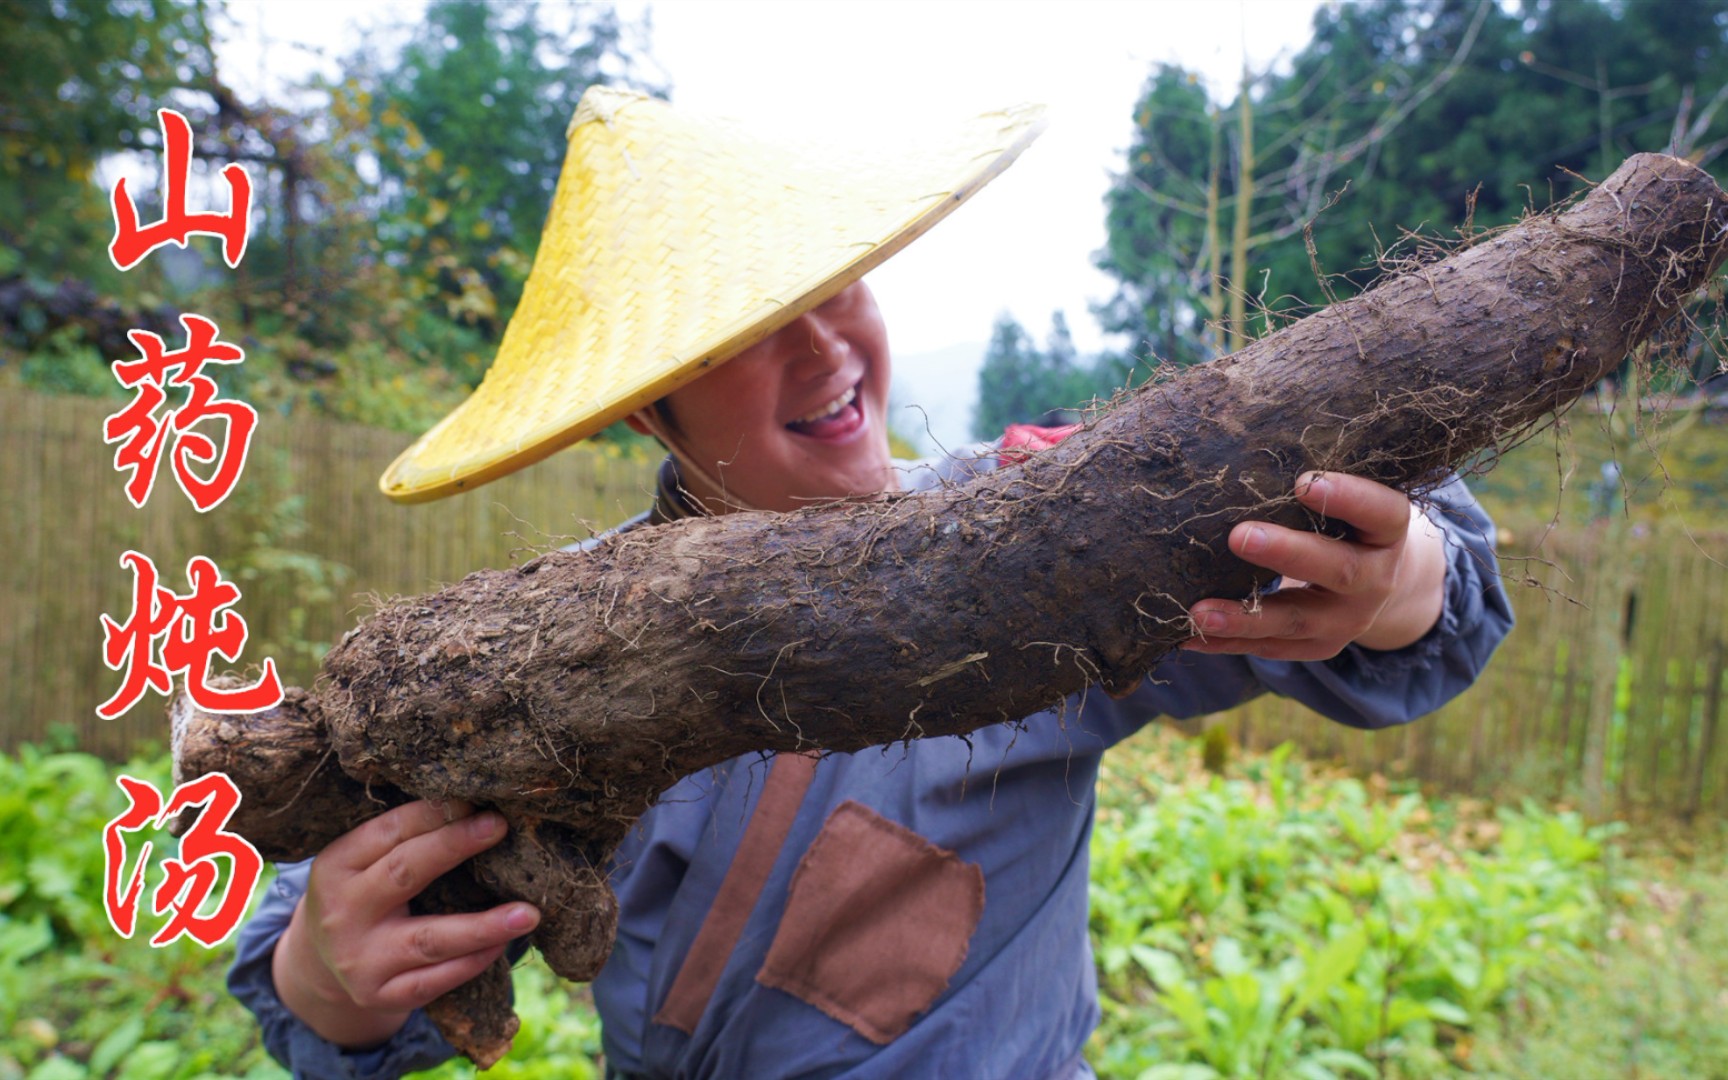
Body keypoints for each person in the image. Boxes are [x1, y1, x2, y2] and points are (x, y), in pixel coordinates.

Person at [230, 88, 1512, 1079]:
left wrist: (1409, 576)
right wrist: (324, 977)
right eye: (739, 332)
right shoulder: (547, 643)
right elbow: (321, 938)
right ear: (649, 411)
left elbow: (1389, 592)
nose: (826, 345)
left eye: (835, 282)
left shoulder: (1039, 537)